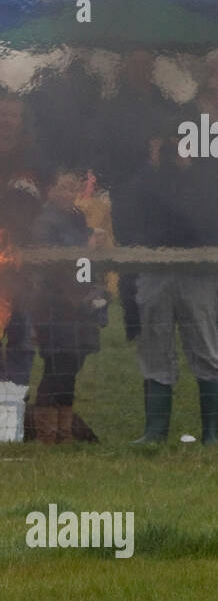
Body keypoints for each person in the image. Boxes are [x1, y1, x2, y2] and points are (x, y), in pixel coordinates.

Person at [114, 130, 218, 444]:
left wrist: (186, 171)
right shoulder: (144, 179)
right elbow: (126, 220)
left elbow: (205, 218)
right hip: (154, 270)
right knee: (155, 348)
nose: (175, 151)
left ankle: (213, 433)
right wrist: (153, 167)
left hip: (198, 271)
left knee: (207, 348)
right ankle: (155, 432)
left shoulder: (205, 176)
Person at [29, 169, 107, 444]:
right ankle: (46, 434)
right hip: (54, 304)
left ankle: (64, 432)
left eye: (71, 187)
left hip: (80, 304)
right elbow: (50, 264)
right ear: (49, 190)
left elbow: (86, 261)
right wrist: (71, 295)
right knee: (55, 367)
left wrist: (91, 291)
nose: (66, 193)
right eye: (60, 187)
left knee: (71, 366)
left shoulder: (77, 218)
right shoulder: (43, 222)